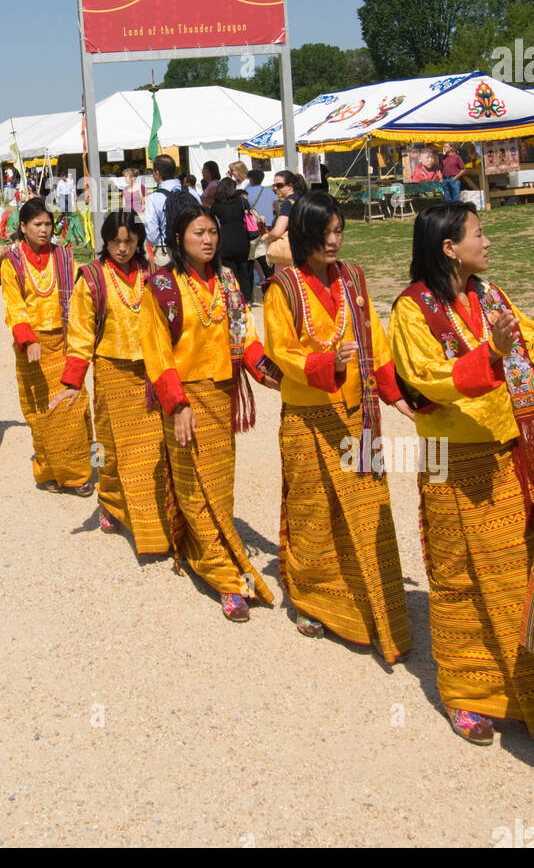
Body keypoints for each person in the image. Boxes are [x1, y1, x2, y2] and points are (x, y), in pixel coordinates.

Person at [388, 202, 534, 745]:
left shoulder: (490, 295)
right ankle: (466, 692)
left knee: (515, 575)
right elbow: (426, 377)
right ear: (449, 247)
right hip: (452, 461)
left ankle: (520, 688)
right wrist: (491, 356)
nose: (489, 242)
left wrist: (506, 348)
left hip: (505, 454)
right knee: (458, 578)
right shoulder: (411, 309)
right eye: (479, 233)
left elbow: (526, 339)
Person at [263, 191, 413, 660]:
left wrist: (394, 394)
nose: (335, 240)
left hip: (356, 414)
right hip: (308, 418)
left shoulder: (353, 278)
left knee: (368, 505)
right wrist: (329, 362)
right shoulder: (282, 288)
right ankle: (312, 598)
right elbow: (281, 350)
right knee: (314, 509)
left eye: (339, 231)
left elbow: (376, 337)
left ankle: (368, 592)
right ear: (305, 234)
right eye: (326, 232)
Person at [140, 205, 278, 620]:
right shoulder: (162, 286)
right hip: (183, 399)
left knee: (219, 489)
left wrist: (271, 374)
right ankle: (224, 576)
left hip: (221, 398)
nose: (209, 240)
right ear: (180, 238)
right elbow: (157, 352)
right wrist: (177, 404)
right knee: (192, 490)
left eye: (213, 232)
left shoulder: (229, 281)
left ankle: (215, 552)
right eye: (199, 232)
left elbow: (244, 337)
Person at [50, 210, 173, 549]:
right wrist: (73, 382)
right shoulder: (91, 277)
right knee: (109, 446)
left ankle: (153, 521)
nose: (122, 248)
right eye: (115, 241)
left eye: (129, 241)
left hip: (149, 374)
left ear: (139, 241)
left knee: (150, 449)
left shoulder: (152, 274)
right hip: (110, 371)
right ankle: (109, 500)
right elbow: (80, 331)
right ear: (105, 241)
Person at [0, 197, 94, 492]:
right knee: (41, 412)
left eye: (48, 224)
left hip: (63, 342)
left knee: (70, 407)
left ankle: (77, 475)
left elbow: (80, 294)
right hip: (32, 348)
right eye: (37, 224)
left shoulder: (65, 257)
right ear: (23, 228)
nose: (43, 229)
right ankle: (48, 472)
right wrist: (28, 340)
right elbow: (14, 307)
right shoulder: (12, 263)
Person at [211, 176, 260, 302]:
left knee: (230, 272)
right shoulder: (240, 201)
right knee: (244, 270)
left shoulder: (216, 205)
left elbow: (212, 221)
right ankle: (248, 299)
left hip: (225, 239)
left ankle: (234, 299)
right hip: (242, 238)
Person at [144, 155, 188, 266]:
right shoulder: (190, 192)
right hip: (190, 250)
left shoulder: (154, 198)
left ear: (157, 173)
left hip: (165, 252)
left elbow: (152, 234)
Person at [263, 170, 307, 265]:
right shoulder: (302, 199)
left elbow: (278, 231)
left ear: (290, 186)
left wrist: (268, 238)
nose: (275, 188)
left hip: (289, 252)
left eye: (279, 186)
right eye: (274, 185)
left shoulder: (288, 203)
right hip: (305, 249)